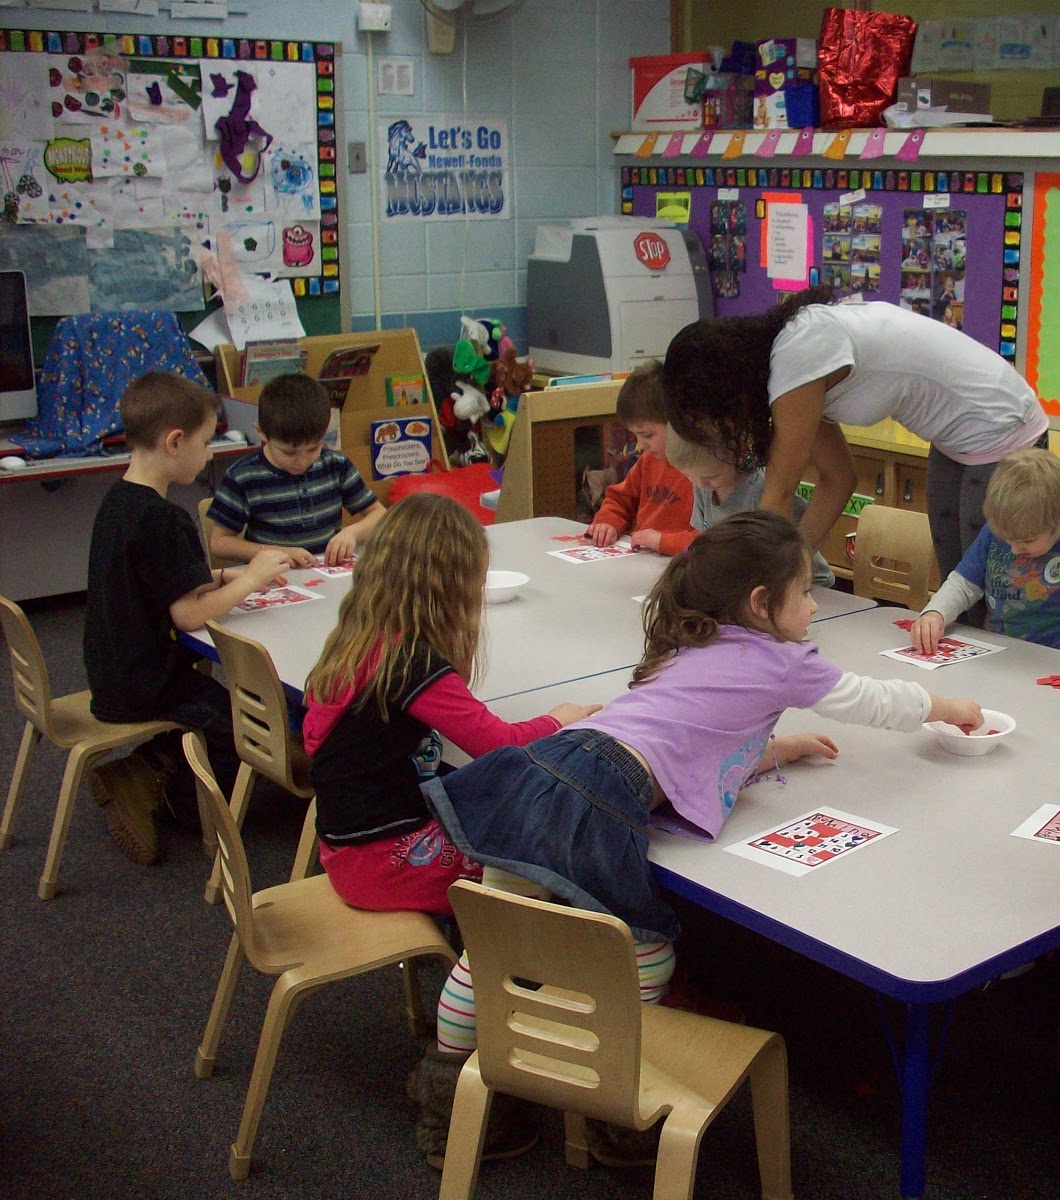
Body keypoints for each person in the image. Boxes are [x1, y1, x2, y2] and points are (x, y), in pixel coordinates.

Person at [409, 510, 982, 1164]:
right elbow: (872, 701)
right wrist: (945, 707)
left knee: (490, 948)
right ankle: (615, 1113)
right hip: (599, 794)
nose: (815, 603)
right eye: (804, 592)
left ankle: (446, 1092)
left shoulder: (695, 639)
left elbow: (692, 737)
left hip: (545, 767)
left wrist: (780, 748)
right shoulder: (782, 660)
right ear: (762, 603)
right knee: (646, 954)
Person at [302, 492, 598, 915]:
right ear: (453, 589)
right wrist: (557, 719)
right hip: (385, 864)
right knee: (549, 850)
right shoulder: (411, 662)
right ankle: (509, 967)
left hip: (346, 853)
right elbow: (501, 745)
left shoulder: (361, 640)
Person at [661, 288, 1049, 582]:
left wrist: (762, 590)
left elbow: (776, 497)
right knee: (958, 576)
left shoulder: (799, 357)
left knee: (986, 583)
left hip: (999, 422)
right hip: (954, 437)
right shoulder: (791, 366)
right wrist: (797, 567)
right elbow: (838, 478)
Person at [83, 371, 294, 865]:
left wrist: (223, 576)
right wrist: (251, 579)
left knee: (225, 714)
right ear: (175, 442)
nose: (209, 453)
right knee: (245, 729)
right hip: (150, 682)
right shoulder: (164, 518)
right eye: (205, 441)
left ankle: (151, 765)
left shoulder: (118, 501)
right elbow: (187, 614)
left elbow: (156, 583)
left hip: (112, 671)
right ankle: (155, 787)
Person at [911, 448, 1060, 658]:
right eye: (1006, 538)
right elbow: (964, 584)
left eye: (1026, 541)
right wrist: (936, 612)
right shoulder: (998, 533)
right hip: (996, 659)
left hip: (1054, 669)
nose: (1014, 549)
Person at [206, 373, 384, 567]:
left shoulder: (335, 464)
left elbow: (380, 514)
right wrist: (278, 552)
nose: (302, 461)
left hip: (326, 573)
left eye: (313, 449)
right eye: (289, 453)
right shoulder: (244, 476)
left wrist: (352, 533)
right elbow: (219, 543)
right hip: (275, 576)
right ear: (261, 433)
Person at [664, 426, 835, 587]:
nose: (700, 484)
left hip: (808, 584)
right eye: (688, 476)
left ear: (739, 455)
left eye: (711, 477)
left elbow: (807, 527)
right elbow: (704, 539)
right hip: (747, 584)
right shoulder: (702, 485)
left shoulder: (764, 491)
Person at [583, 360, 696, 554]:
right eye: (635, 435)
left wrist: (663, 542)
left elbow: (712, 539)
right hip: (641, 561)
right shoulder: (648, 461)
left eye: (647, 435)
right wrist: (608, 522)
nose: (641, 444)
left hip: (681, 567)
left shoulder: (704, 472)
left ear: (677, 422)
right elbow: (620, 500)